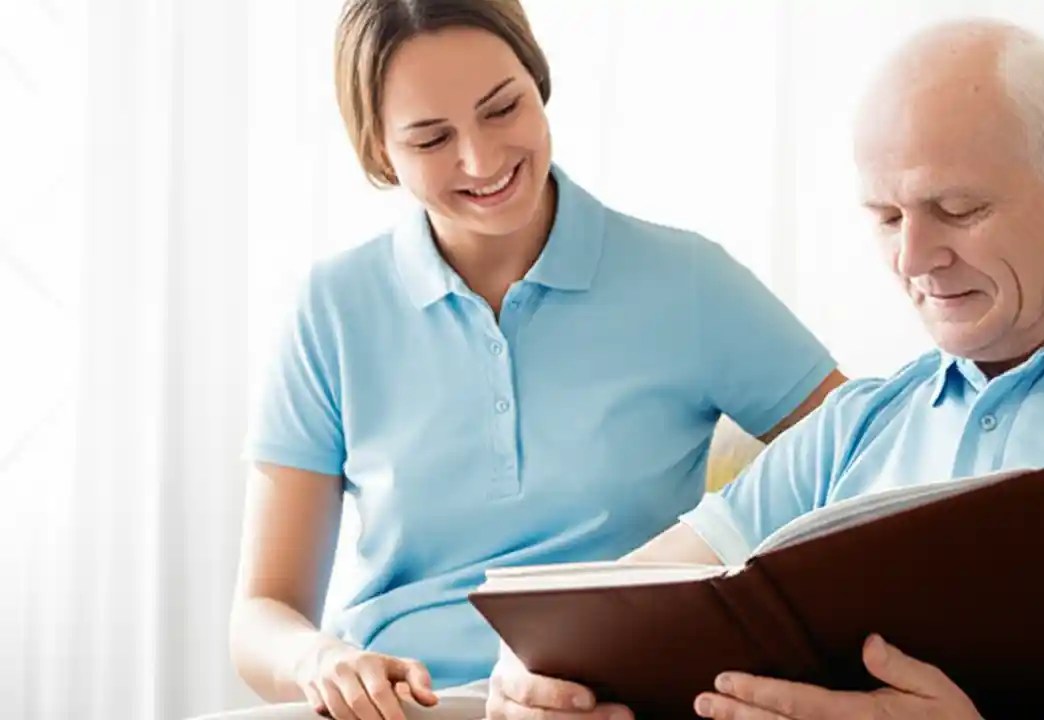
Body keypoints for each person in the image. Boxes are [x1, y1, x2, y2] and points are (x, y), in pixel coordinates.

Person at [487, 19, 1044, 720]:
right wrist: (530, 677)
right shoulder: (855, 426)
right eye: (887, 216)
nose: (914, 259)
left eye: (960, 209)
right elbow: (607, 608)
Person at [227, 2, 849, 719]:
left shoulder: (686, 282)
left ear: (538, 81)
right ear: (379, 154)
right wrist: (323, 660)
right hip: (407, 708)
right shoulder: (331, 309)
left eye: (502, 108)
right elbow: (262, 613)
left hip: (609, 699)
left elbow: (870, 455)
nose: (481, 160)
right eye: (431, 138)